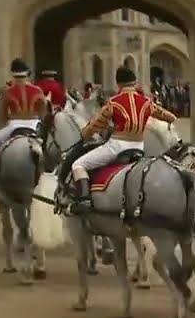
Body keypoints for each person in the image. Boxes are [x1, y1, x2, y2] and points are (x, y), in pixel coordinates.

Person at [68, 66, 178, 212]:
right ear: (134, 83)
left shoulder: (114, 102)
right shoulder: (146, 102)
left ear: (118, 84)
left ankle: (84, 199)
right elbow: (170, 116)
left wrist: (85, 134)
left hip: (117, 147)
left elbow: (96, 125)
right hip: (138, 147)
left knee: (78, 165)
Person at [0, 58, 47, 189]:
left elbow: (1, 115)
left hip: (14, 124)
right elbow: (43, 111)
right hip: (34, 125)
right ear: (27, 73)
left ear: (13, 73)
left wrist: (8, 119)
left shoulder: (7, 92)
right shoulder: (38, 90)